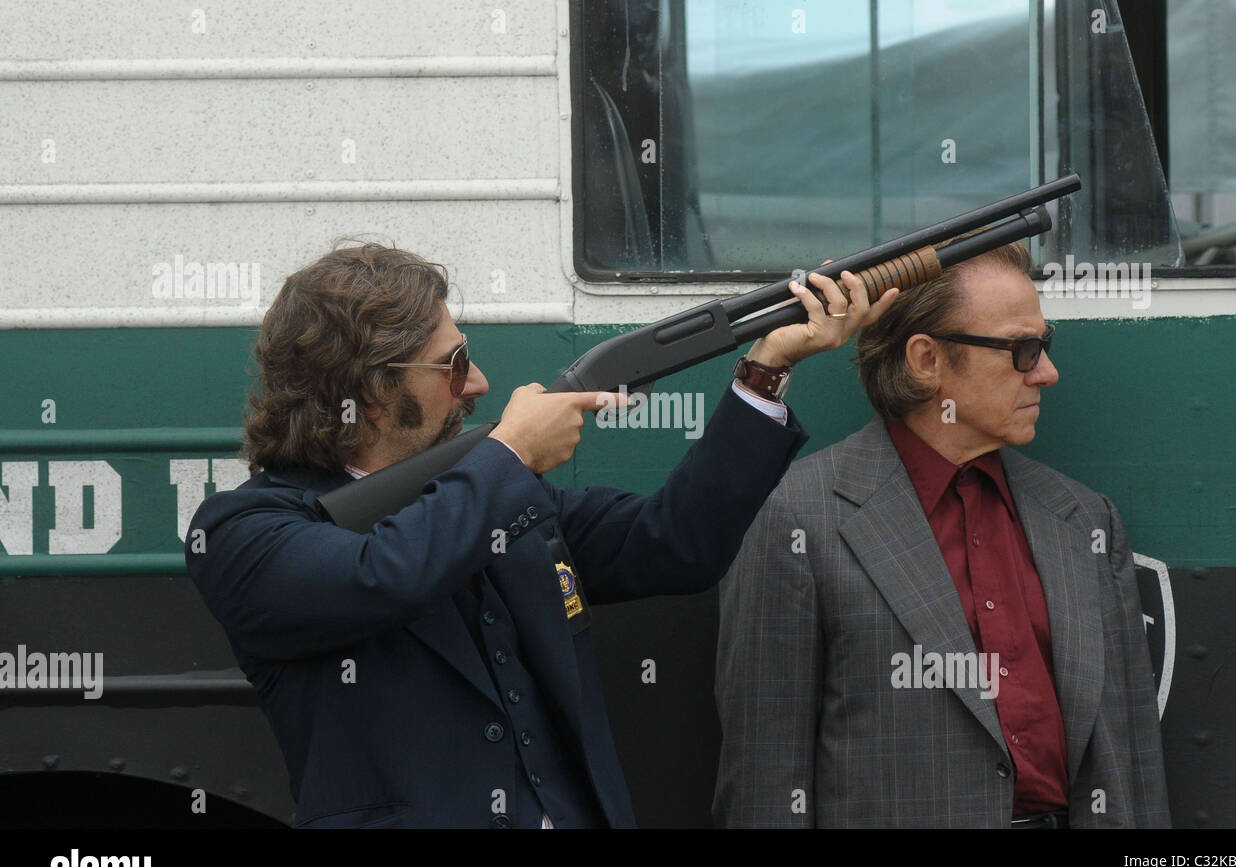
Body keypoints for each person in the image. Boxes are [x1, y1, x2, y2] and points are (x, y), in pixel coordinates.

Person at [185, 242, 895, 828]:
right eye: (454, 363)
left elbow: (675, 543)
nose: (479, 383)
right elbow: (383, 573)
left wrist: (766, 370)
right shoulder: (246, 531)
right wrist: (511, 454)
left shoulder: (496, 494)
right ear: (372, 389)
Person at [714, 239, 1170, 828]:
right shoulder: (796, 519)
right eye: (1023, 350)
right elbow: (764, 783)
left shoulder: (1085, 520)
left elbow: (1130, 763)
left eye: (1044, 345)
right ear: (927, 360)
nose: (1048, 373)